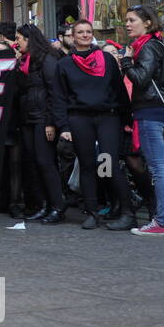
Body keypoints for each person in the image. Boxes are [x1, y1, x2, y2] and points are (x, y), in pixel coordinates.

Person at [51, 19, 135, 230]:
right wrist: (64, 127)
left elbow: (119, 89)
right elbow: (59, 98)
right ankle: (92, 212)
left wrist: (127, 119)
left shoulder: (106, 59)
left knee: (108, 163)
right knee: (87, 165)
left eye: (88, 32)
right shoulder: (64, 65)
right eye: (80, 32)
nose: (85, 35)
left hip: (107, 117)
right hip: (80, 119)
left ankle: (124, 210)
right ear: (73, 36)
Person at [120, 5, 164, 237]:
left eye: (132, 20)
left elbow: (140, 79)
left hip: (150, 111)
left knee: (158, 168)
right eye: (126, 20)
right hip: (157, 111)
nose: (127, 24)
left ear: (147, 23)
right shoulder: (155, 45)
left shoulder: (147, 47)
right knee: (161, 167)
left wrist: (126, 62)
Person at [14, 24, 66, 223]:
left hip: (43, 119)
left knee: (45, 162)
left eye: (19, 39)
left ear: (29, 40)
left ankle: (57, 206)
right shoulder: (25, 61)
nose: (16, 43)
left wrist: (51, 122)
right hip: (29, 117)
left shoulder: (47, 60)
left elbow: (54, 91)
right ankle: (44, 205)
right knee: (34, 163)